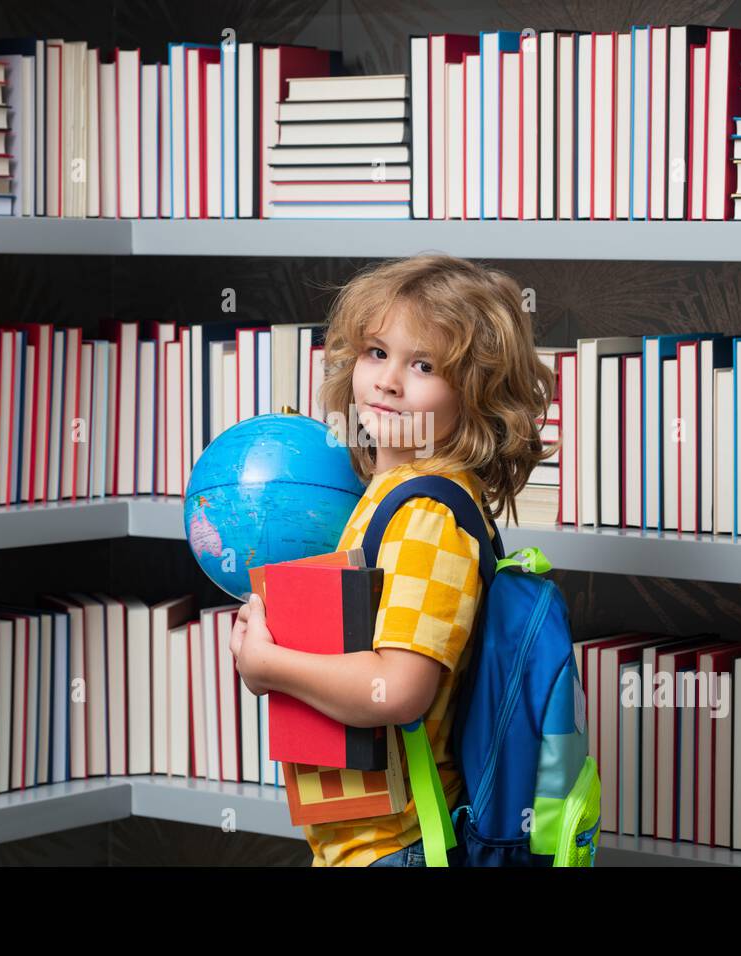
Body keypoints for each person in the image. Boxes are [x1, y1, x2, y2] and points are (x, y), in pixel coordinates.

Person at [229, 254, 554, 866]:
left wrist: (271, 664)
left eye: (424, 365)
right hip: (372, 843)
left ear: (476, 393)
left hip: (398, 847)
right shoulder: (387, 495)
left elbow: (397, 690)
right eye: (377, 352)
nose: (388, 381)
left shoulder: (426, 516)